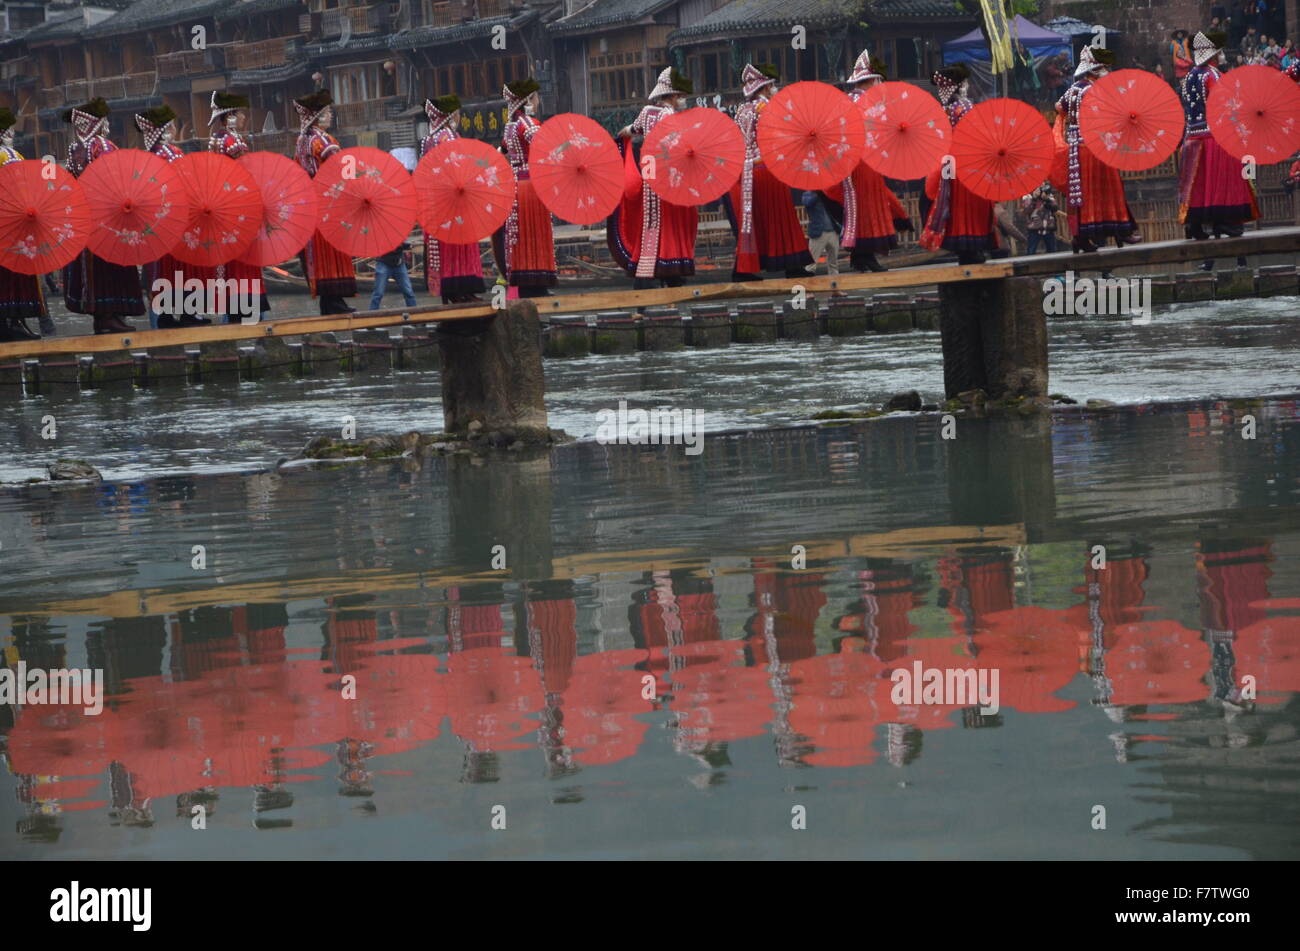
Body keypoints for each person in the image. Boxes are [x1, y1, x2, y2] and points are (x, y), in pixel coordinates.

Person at [609, 67, 698, 289]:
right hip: (668, 178)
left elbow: (630, 130)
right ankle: (671, 269)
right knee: (672, 223)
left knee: (651, 223)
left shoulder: (647, 112)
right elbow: (676, 147)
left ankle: (648, 270)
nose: (684, 101)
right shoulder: (670, 116)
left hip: (650, 177)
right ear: (674, 96)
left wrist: (622, 138)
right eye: (682, 97)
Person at [61, 98, 145, 334]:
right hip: (109, 217)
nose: (107, 124)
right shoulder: (102, 146)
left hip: (87, 219)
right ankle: (111, 314)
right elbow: (116, 177)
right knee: (112, 267)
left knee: (93, 269)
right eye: (103, 120)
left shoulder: (74, 148)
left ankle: (102, 316)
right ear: (95, 124)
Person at [822, 52, 911, 272]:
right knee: (866, 210)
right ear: (871, 80)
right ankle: (865, 256)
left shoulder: (847, 100)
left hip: (855, 161)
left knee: (861, 210)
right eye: (878, 80)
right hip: (862, 163)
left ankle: (861, 257)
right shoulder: (866, 101)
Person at [727, 62, 814, 279]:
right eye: (772, 85)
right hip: (767, 169)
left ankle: (743, 268)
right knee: (781, 217)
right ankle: (791, 264)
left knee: (752, 222)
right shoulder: (766, 108)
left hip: (746, 173)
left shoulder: (740, 110)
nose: (774, 88)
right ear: (765, 87)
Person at [1179, 31, 1257, 268]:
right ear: (1213, 54)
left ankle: (1208, 259)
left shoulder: (1190, 77)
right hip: (1215, 141)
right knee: (1226, 193)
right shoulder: (1213, 76)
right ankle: (1240, 259)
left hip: (1193, 140)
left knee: (1202, 195)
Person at [1056, 46, 1142, 253]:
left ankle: (1081, 237)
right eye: (1104, 67)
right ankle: (1122, 230)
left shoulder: (1073, 89)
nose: (1107, 71)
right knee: (1110, 190)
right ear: (1094, 69)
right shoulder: (1095, 90)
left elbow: (1059, 106)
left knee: (1082, 194)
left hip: (1077, 150)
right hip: (1096, 148)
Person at [134, 105, 212, 329]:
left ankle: (165, 315)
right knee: (185, 268)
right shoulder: (172, 153)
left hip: (158, 222)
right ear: (166, 130)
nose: (175, 129)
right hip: (179, 218)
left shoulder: (147, 157)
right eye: (172, 126)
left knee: (164, 269)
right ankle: (189, 313)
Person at [920, 64, 998, 264]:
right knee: (972, 206)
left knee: (951, 203)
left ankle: (963, 248)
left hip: (949, 163)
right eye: (966, 82)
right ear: (961, 86)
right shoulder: (966, 107)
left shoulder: (944, 110)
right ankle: (974, 247)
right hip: (969, 162)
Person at [293, 89, 358, 314]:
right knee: (333, 252)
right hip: (329, 204)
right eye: (326, 112)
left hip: (312, 205)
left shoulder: (302, 140)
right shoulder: (323, 139)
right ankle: (335, 300)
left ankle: (329, 302)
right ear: (317, 116)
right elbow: (341, 168)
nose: (330, 115)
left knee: (320, 255)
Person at [209, 91, 269, 323]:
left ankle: (233, 312)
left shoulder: (217, 139)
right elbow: (246, 174)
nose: (244, 117)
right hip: (239, 210)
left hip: (225, 209)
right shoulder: (232, 141)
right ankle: (248, 310)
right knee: (245, 261)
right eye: (240, 113)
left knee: (232, 262)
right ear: (230, 116)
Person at [419, 94, 486, 303]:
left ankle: (451, 289)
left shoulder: (428, 140)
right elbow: (459, 167)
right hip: (455, 198)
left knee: (447, 245)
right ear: (451, 115)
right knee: (461, 244)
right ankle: (463, 288)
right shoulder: (449, 136)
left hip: (438, 201)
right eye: (457, 112)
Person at [496, 77, 557, 297]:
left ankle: (524, 282)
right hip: (532, 183)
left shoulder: (510, 126)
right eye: (536, 96)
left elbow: (501, 152)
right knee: (536, 233)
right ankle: (538, 282)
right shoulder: (529, 124)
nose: (538, 100)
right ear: (529, 99)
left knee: (521, 236)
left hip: (515, 183)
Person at [0, 107, 49, 342]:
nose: (12, 134)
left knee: (12, 272)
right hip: (10, 225)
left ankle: (13, 320)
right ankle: (11, 320)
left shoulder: (12, 155)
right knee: (13, 274)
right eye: (7, 131)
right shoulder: (7, 156)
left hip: (10, 224)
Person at [368, 241, 417, 310]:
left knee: (408, 291)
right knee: (378, 293)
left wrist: (403, 245)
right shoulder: (382, 236)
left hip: (398, 264)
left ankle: (414, 312)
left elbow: (406, 245)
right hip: (384, 263)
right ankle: (371, 314)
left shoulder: (397, 235)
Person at [801, 190, 840, 275]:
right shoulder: (808, 193)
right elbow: (807, 202)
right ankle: (808, 285)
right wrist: (818, 192)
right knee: (811, 263)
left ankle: (835, 284)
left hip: (833, 231)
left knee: (833, 263)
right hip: (818, 232)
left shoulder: (828, 193)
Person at [1021, 183, 1060, 254]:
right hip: (1034, 229)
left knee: (1052, 252)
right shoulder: (1028, 196)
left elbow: (1055, 208)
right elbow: (1026, 211)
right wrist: (1034, 199)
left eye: (1042, 184)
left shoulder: (1048, 195)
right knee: (1031, 251)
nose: (1041, 186)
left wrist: (1047, 199)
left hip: (1048, 228)